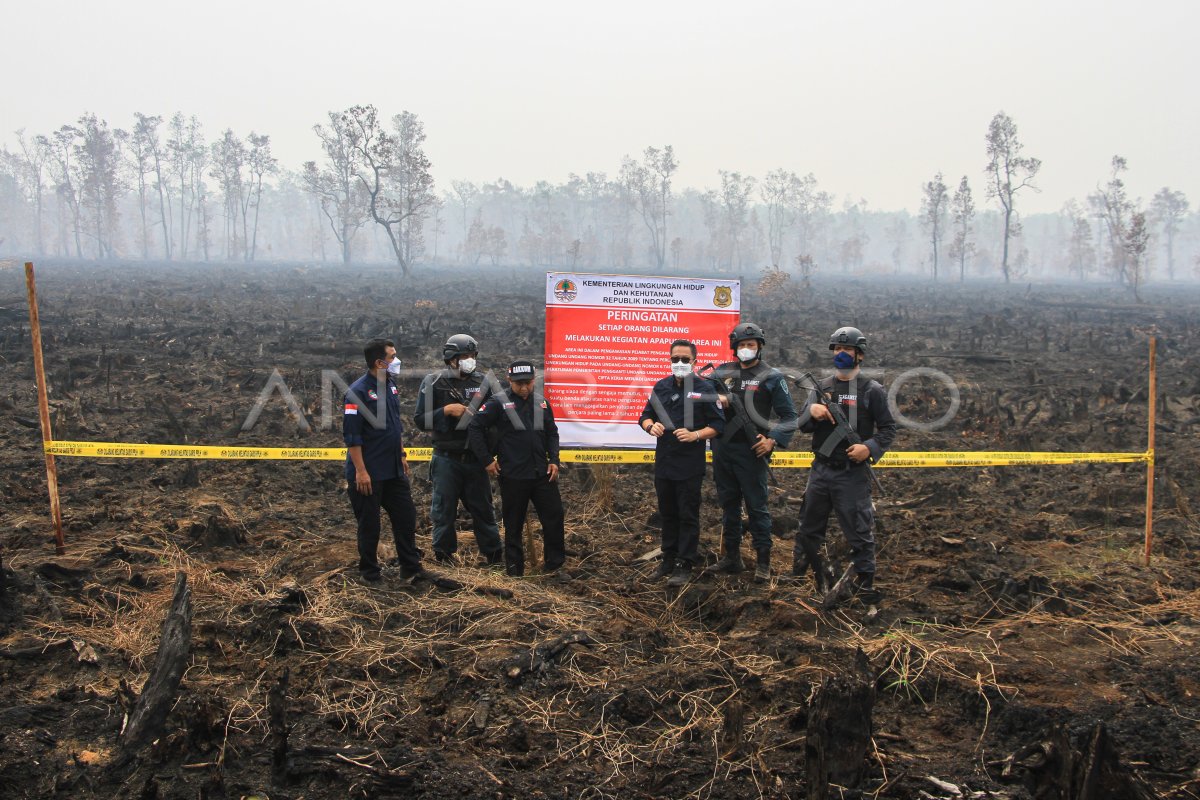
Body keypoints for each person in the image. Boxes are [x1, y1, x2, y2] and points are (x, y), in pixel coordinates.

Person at [794, 326, 897, 604]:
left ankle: (866, 587)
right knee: (808, 527)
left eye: (847, 350)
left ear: (859, 355)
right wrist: (811, 412)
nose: (841, 354)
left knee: (859, 531)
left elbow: (888, 429)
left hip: (851, 474)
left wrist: (869, 448)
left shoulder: (871, 391)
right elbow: (802, 427)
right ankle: (806, 577)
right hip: (821, 470)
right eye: (837, 350)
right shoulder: (822, 388)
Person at [706, 322, 799, 582]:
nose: (747, 349)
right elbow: (702, 406)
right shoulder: (720, 373)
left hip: (752, 451)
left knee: (757, 507)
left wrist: (772, 440)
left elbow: (789, 416)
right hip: (723, 449)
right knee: (729, 505)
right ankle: (732, 557)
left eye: (751, 345)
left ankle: (763, 563)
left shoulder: (771, 376)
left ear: (759, 347)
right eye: (742, 345)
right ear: (734, 348)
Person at [467, 360, 565, 577]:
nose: (523, 388)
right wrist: (486, 460)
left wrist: (554, 459)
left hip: (542, 474)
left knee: (554, 518)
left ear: (534, 380)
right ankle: (514, 570)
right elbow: (474, 427)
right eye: (518, 383)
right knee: (514, 524)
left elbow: (552, 433)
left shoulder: (542, 403)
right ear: (509, 380)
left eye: (528, 383)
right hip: (513, 475)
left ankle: (554, 566)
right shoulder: (498, 403)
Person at [639, 340, 724, 587]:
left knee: (687, 514)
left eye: (685, 360)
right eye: (675, 359)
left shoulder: (705, 388)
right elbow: (645, 415)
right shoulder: (661, 386)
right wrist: (649, 426)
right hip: (664, 462)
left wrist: (695, 435)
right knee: (667, 513)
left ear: (694, 362)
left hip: (689, 465)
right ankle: (667, 559)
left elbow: (718, 426)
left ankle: (684, 562)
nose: (679, 363)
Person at [414, 333, 504, 566]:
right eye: (464, 356)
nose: (469, 360)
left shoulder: (484, 383)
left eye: (472, 355)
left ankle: (494, 556)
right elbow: (420, 420)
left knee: (484, 510)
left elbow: (500, 418)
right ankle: (444, 556)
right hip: (446, 459)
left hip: (476, 459)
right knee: (443, 511)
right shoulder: (433, 382)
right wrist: (446, 411)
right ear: (451, 359)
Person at [343, 338, 423, 582]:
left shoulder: (390, 385)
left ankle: (411, 568)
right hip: (369, 472)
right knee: (370, 525)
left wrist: (401, 455)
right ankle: (370, 573)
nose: (396, 361)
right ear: (379, 362)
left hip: (393, 469)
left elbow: (395, 426)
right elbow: (352, 436)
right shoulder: (357, 392)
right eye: (392, 357)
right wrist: (361, 471)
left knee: (406, 517)